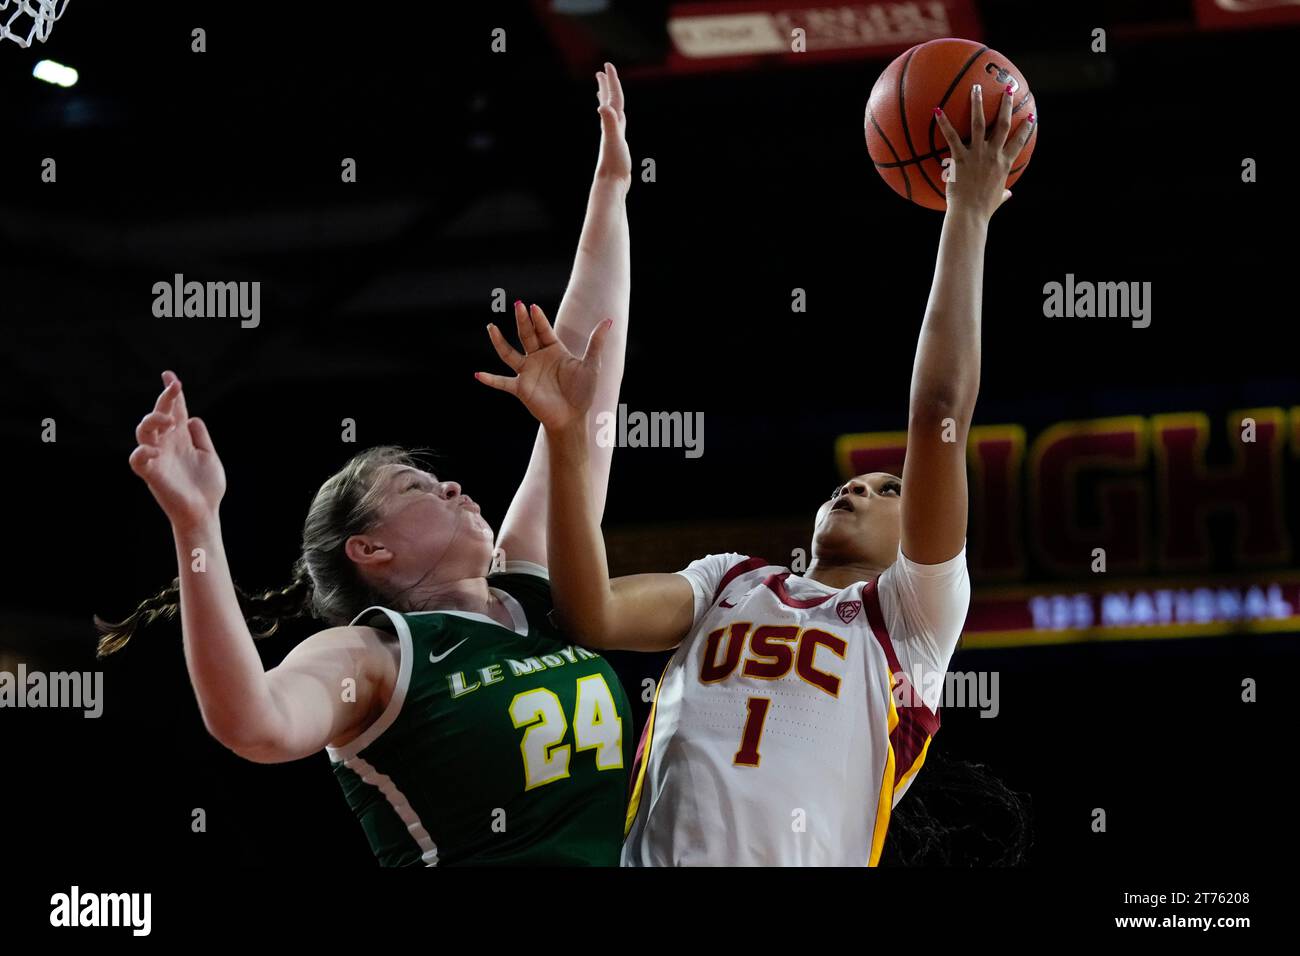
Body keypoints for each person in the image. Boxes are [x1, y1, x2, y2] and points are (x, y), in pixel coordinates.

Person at [475, 84, 1036, 865]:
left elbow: (940, 404)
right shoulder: (729, 580)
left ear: (925, 534)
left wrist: (966, 215)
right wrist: (566, 441)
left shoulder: (913, 618)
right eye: (854, 482)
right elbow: (592, 615)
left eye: (890, 489)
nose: (859, 488)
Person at [96, 63, 639, 867]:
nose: (454, 484)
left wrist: (610, 193)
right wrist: (196, 523)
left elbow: (587, 388)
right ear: (370, 549)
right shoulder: (376, 657)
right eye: (416, 485)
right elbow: (255, 724)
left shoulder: (531, 585)